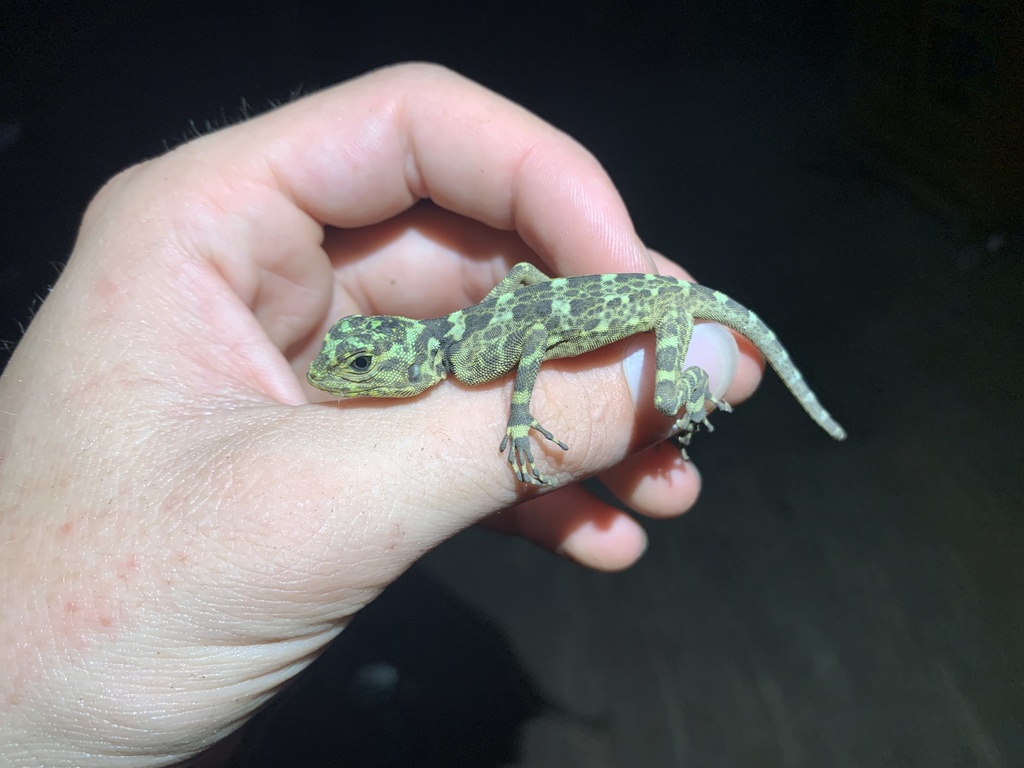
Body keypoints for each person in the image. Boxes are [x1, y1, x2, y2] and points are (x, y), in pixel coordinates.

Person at [0, 63, 758, 765]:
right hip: (606, 299)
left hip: (660, 308)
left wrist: (520, 417)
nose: (336, 377)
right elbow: (525, 280)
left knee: (665, 396)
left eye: (359, 368)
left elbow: (531, 339)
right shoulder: (455, 342)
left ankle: (693, 386)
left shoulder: (465, 354)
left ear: (400, 361)